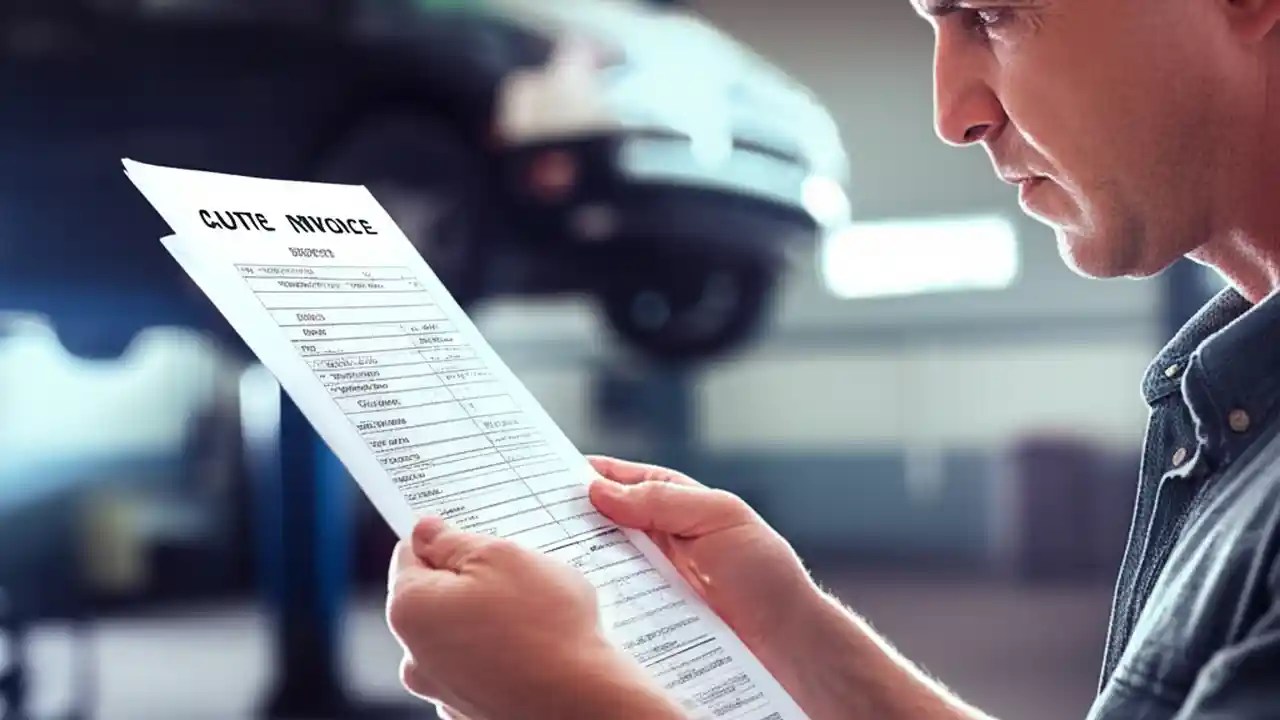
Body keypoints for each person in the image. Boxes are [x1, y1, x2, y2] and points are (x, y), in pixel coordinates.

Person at [386, 0, 1280, 717]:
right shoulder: (1237, 401)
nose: (953, 115)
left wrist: (563, 700)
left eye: (994, 17)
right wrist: (792, 625)